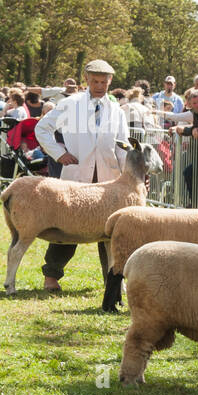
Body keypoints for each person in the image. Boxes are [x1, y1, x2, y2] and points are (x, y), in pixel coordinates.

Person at [34, 59, 131, 293]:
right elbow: (42, 128)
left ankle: (113, 282)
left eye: (104, 82)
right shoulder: (70, 104)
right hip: (77, 177)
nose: (99, 86)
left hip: (109, 179)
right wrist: (60, 154)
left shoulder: (116, 109)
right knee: (67, 227)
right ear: (86, 79)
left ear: (110, 82)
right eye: (95, 81)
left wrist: (129, 173)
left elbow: (122, 145)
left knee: (112, 231)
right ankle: (51, 276)